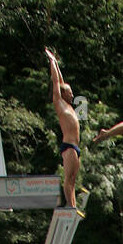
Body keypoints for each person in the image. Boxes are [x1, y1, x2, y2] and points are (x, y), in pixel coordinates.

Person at [45, 48, 80, 210]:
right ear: (64, 94)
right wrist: (52, 61)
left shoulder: (69, 107)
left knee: (73, 179)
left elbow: (61, 80)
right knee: (68, 179)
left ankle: (72, 204)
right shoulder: (60, 104)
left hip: (75, 147)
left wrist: (57, 64)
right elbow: (56, 82)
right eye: (70, 93)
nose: (73, 95)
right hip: (69, 146)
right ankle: (69, 205)